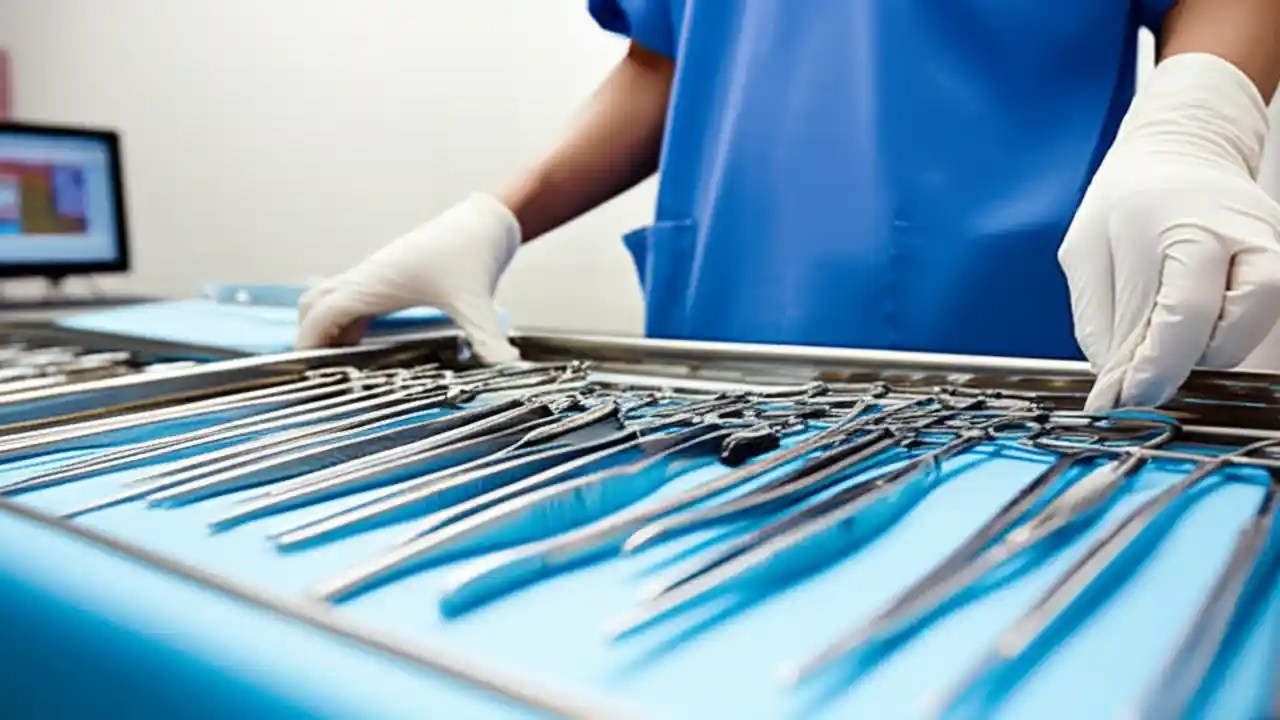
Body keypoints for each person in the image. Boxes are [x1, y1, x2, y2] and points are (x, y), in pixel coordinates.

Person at [296, 0, 1280, 411]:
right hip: (718, 349)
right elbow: (663, 55)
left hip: (1005, 342)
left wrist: (1197, 118)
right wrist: (493, 215)